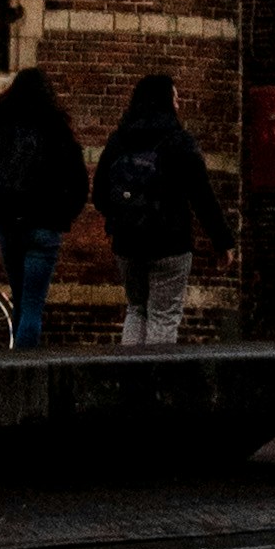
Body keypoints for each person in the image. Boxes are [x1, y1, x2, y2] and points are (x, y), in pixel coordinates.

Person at [93, 69, 230, 349]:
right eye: (176, 98)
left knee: (136, 309)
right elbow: (202, 196)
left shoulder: (118, 141)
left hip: (127, 244)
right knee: (164, 316)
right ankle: (154, 385)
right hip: (170, 243)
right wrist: (223, 241)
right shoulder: (179, 141)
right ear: (166, 102)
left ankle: (128, 382)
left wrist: (122, 219)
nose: (179, 104)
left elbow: (99, 194)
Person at [0, 63, 87, 350]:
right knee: (33, 305)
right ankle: (24, 369)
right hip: (44, 226)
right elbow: (77, 178)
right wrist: (63, 216)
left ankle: (15, 368)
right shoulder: (56, 125)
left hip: (8, 224)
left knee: (20, 298)